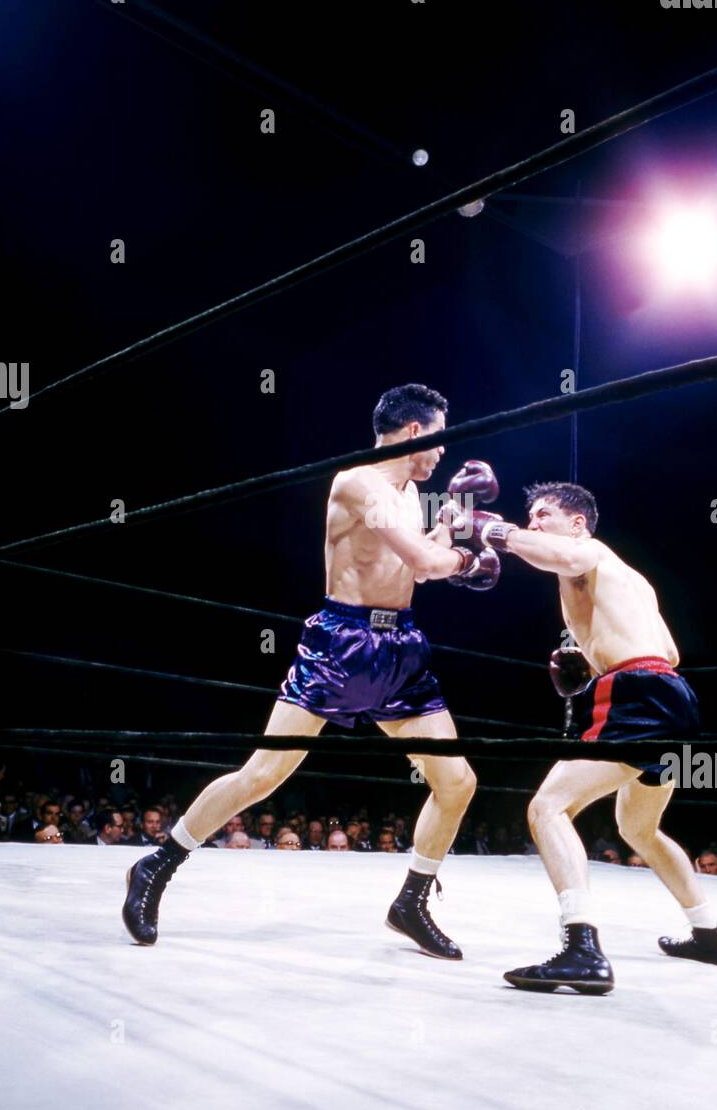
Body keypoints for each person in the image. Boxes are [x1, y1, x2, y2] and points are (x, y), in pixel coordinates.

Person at [122, 383, 500, 959]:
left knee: (457, 781)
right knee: (264, 774)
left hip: (399, 646)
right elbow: (428, 564)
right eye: (441, 438)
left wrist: (453, 520)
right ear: (416, 431)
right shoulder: (357, 482)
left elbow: (417, 567)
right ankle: (157, 864)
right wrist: (469, 557)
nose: (445, 452)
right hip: (342, 642)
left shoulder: (404, 494)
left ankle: (412, 901)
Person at [475, 480, 717, 994]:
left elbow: (559, 555)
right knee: (639, 828)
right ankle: (709, 936)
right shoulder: (631, 581)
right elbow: (670, 650)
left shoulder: (588, 551)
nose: (533, 525)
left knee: (547, 808)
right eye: (530, 517)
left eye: (542, 515)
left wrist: (491, 528)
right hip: (673, 693)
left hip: (638, 693)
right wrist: (593, 666)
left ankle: (582, 949)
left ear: (576, 523)